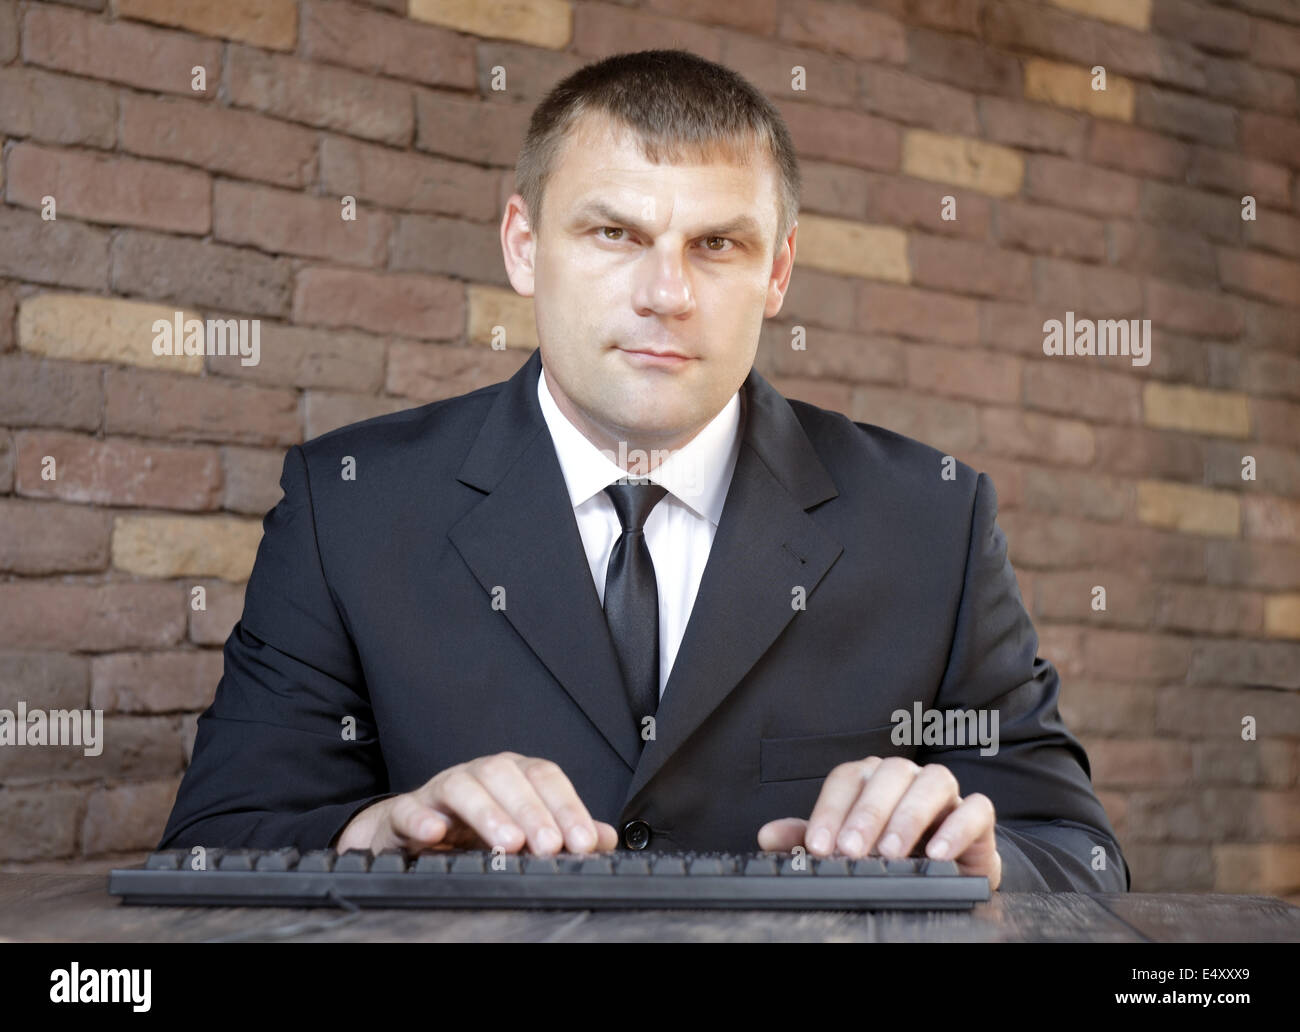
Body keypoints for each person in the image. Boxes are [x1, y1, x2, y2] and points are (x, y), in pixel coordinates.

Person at [159, 49, 1129, 893]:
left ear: (778, 272)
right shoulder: (351, 505)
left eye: (716, 245)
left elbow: (1078, 855)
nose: (666, 294)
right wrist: (373, 834)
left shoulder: (931, 523)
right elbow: (215, 843)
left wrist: (984, 858)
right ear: (523, 247)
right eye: (614, 234)